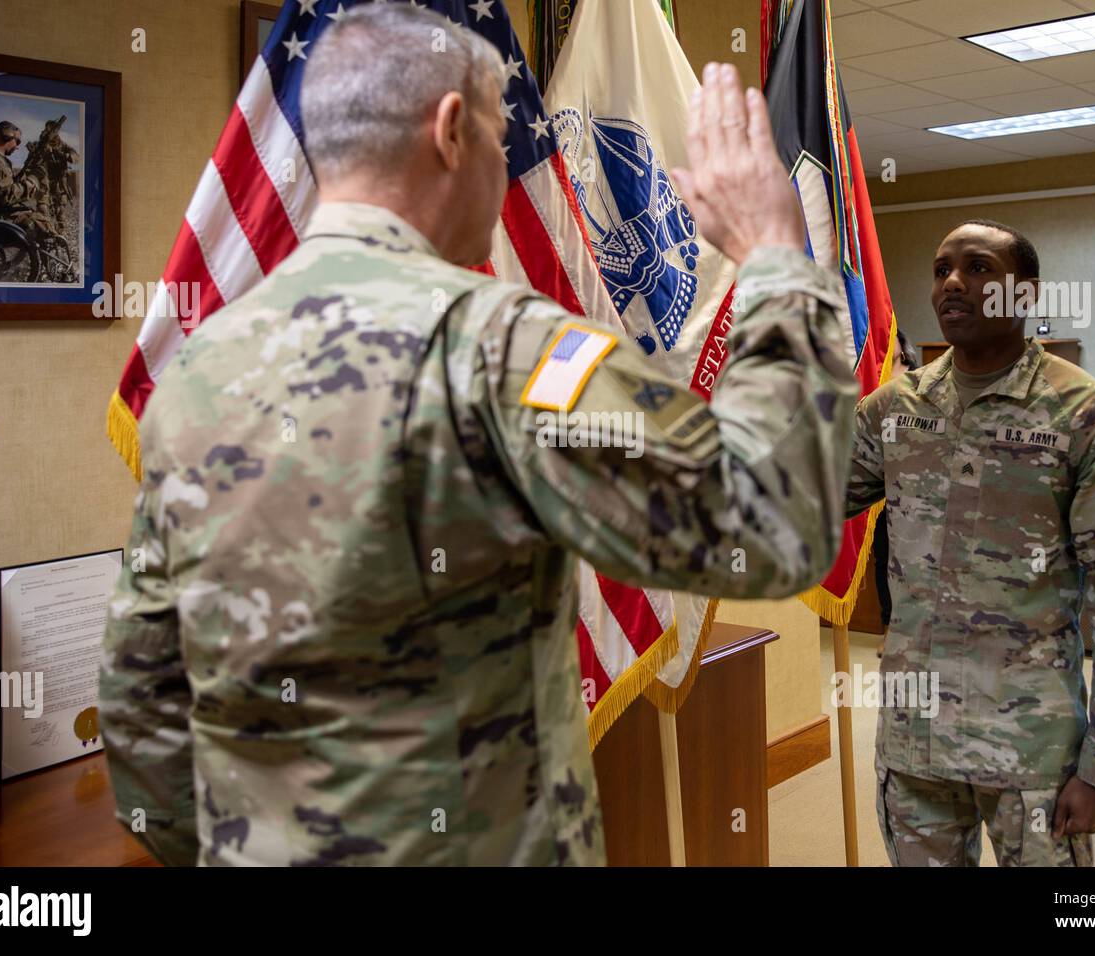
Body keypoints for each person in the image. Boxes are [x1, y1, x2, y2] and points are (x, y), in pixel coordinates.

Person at [99, 4, 858, 867]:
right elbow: (770, 527)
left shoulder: (200, 368)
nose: (508, 169)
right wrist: (773, 260)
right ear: (451, 130)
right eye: (503, 139)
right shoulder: (504, 348)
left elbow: (142, 703)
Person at [847, 218, 1095, 867]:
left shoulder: (1088, 418)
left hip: (1032, 753)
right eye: (942, 270)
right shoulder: (893, 410)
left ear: (1026, 292)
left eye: (979, 268)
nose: (954, 283)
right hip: (915, 751)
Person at [872, 329, 918, 652]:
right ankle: (888, 627)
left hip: (914, 485)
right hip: (879, 485)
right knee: (883, 557)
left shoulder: (917, 383)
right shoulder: (871, 382)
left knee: (912, 557)